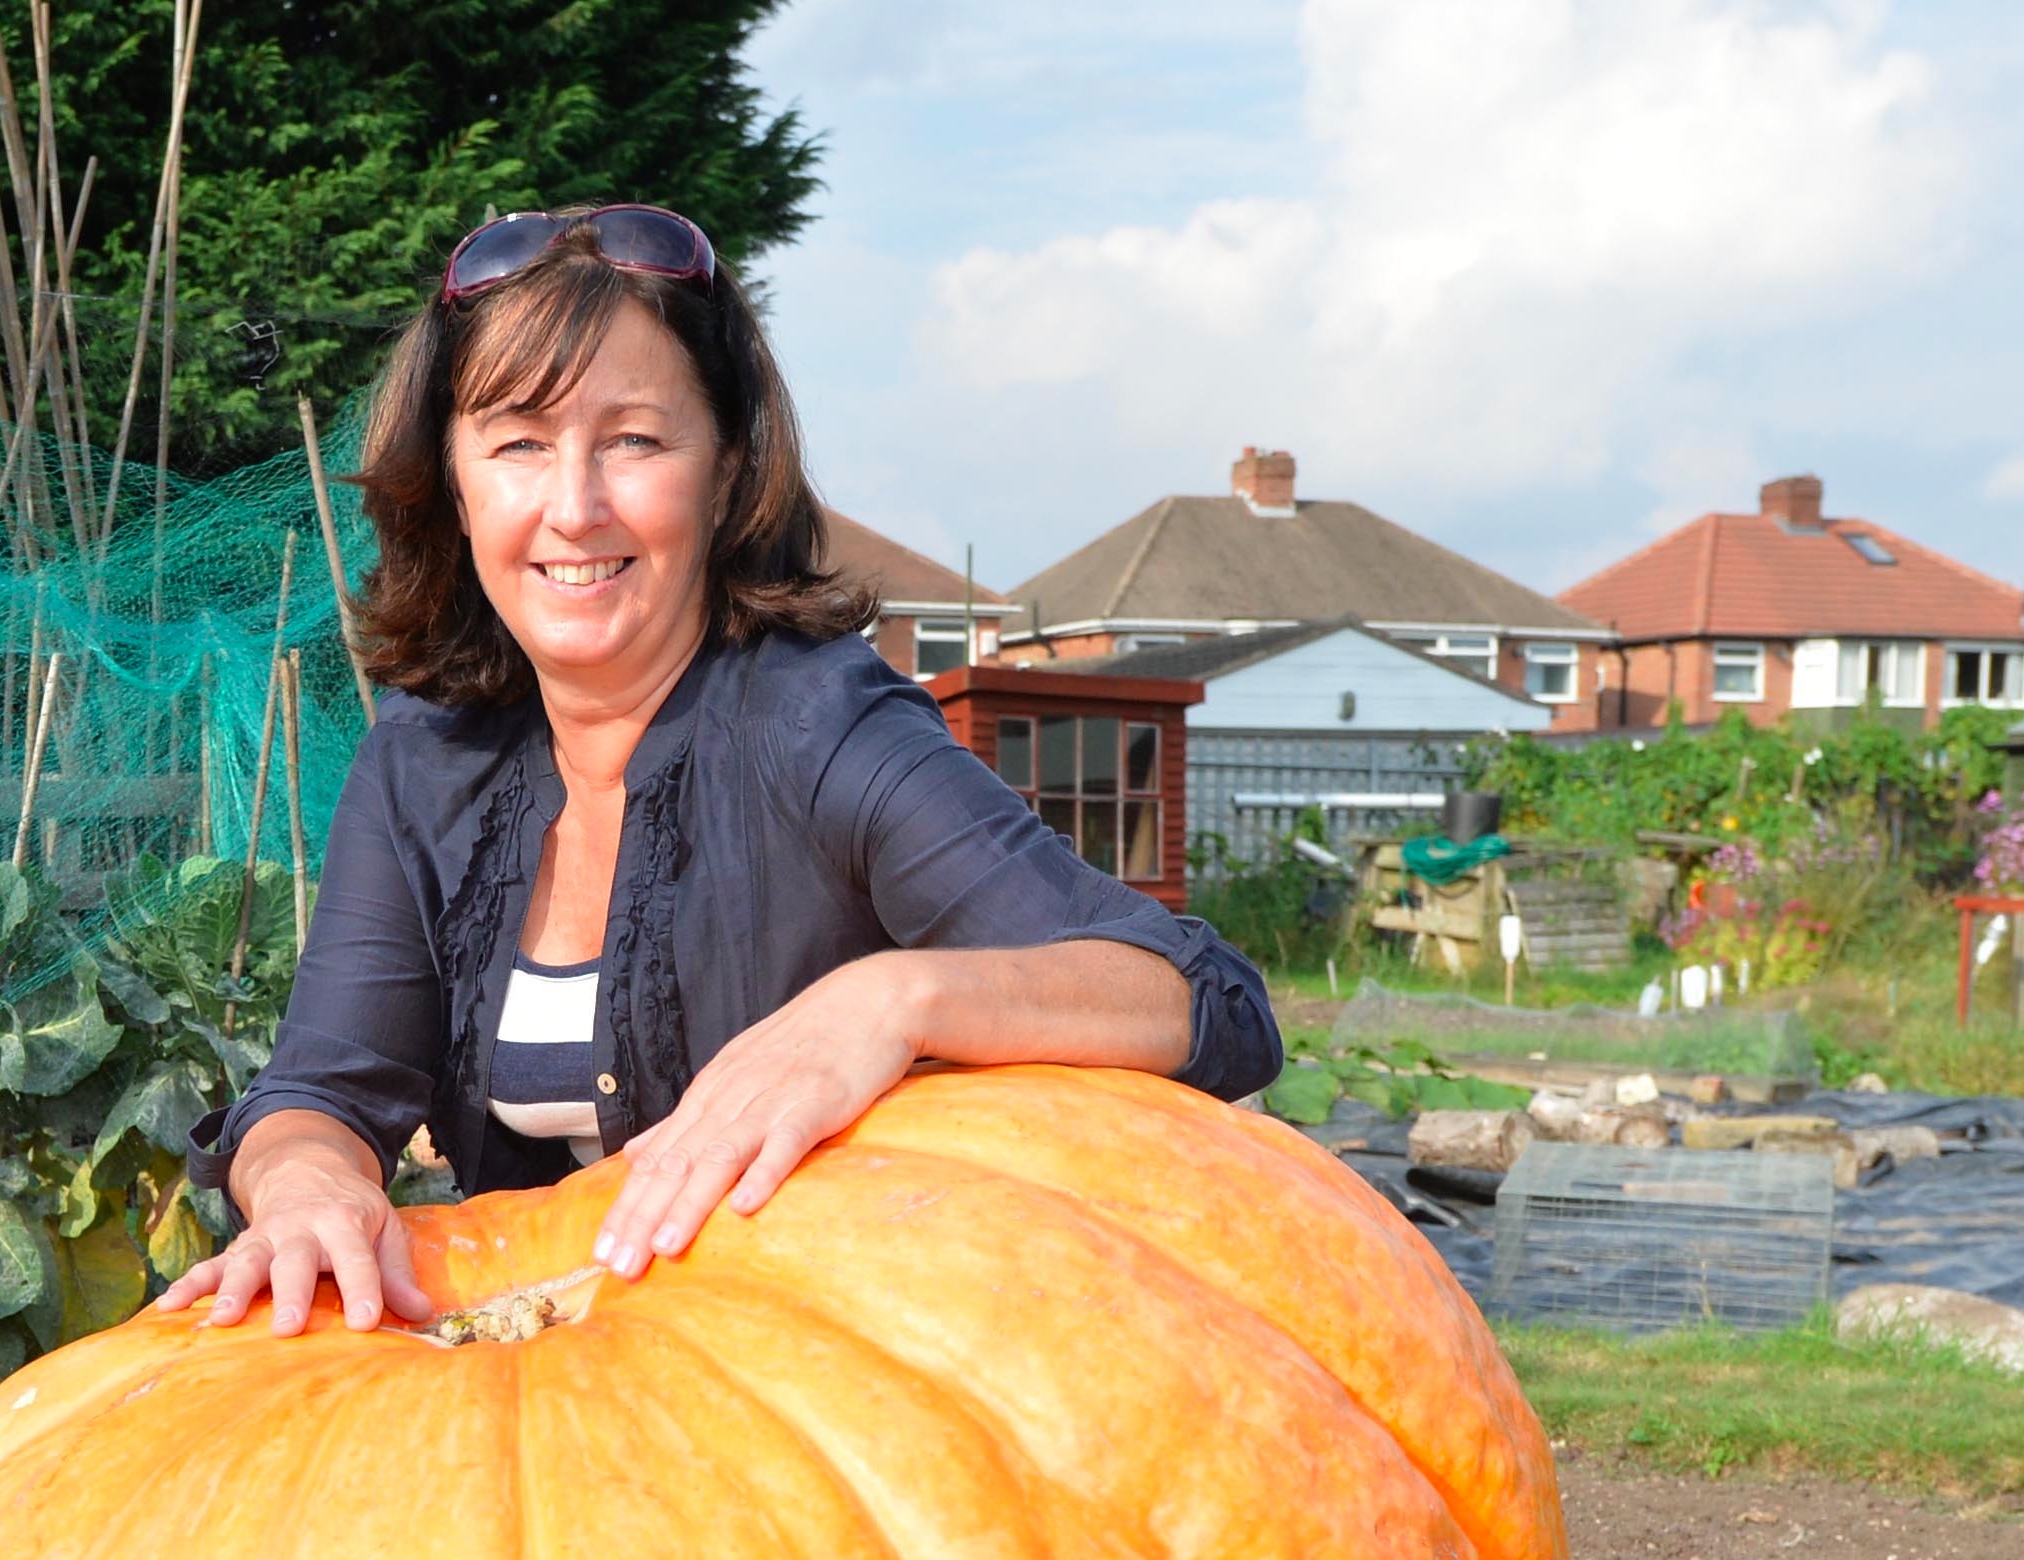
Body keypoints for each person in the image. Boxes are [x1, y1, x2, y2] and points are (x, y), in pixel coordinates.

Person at [168, 204, 1283, 1334]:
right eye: (517, 444)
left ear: (726, 468)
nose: (573, 505)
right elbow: (321, 1088)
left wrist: (889, 1003)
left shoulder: (817, 722)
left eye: (635, 442)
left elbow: (1208, 1000)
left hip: (848, 1383)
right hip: (537, 1411)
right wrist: (309, 1184)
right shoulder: (425, 755)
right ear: (454, 487)